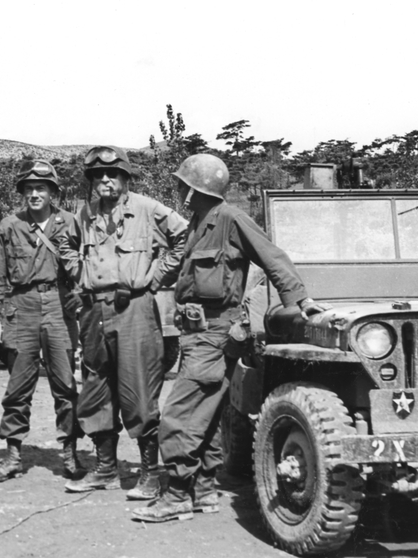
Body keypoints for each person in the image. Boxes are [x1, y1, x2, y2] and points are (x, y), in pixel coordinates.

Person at [132, 154, 330, 523]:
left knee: (180, 414)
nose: (178, 191)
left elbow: (272, 257)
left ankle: (176, 495)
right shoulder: (198, 224)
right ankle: (204, 492)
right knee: (206, 414)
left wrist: (299, 299)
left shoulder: (231, 219)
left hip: (213, 332)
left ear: (194, 190)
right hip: (198, 332)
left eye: (182, 185)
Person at [61, 146, 187, 499]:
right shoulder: (83, 214)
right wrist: (77, 271)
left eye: (113, 174)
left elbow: (184, 237)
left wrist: (157, 276)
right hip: (93, 311)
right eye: (98, 176)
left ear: (125, 179)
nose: (105, 180)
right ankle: (105, 469)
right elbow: (67, 246)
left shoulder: (147, 209)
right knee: (95, 391)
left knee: (139, 392)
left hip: (134, 309)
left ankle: (149, 474)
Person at [0, 160, 83, 483]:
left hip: (59, 304)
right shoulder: (9, 225)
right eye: (29, 189)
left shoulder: (69, 222)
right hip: (21, 307)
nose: (34, 194)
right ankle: (13, 455)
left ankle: (69, 452)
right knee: (18, 386)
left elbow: (86, 265)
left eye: (41, 188)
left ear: (53, 192)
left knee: (66, 385)